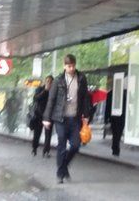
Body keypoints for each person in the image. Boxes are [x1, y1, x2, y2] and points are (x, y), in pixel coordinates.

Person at [43, 54, 89, 184]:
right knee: (62, 143)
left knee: (75, 145)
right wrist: (46, 118)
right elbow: (51, 100)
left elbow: (85, 98)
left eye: (73, 65)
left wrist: (86, 116)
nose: (72, 68)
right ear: (64, 66)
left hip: (75, 118)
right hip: (60, 118)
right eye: (69, 66)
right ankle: (60, 173)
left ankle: (63, 167)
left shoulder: (81, 78)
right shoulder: (58, 80)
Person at [31, 75, 53, 157]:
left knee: (48, 134)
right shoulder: (40, 89)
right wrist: (45, 91)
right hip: (39, 115)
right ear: (45, 82)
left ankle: (46, 151)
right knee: (37, 133)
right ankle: (34, 148)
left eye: (50, 82)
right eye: (47, 81)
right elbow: (36, 98)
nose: (49, 83)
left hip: (49, 116)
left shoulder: (54, 91)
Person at [104, 85, 125, 157]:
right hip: (119, 117)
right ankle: (116, 148)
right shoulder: (124, 94)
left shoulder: (111, 93)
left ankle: (115, 148)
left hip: (114, 117)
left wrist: (106, 119)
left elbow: (107, 107)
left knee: (116, 133)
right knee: (117, 133)